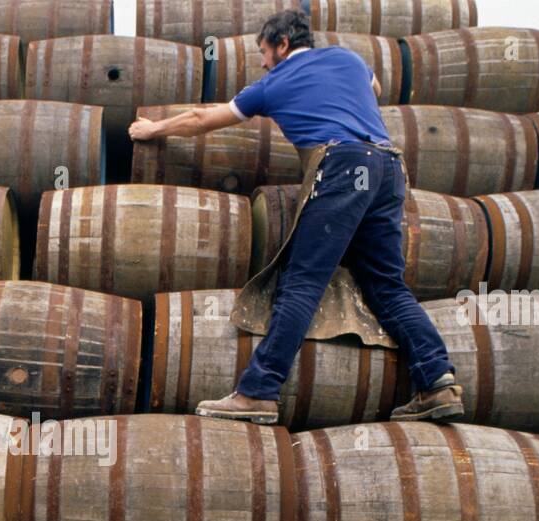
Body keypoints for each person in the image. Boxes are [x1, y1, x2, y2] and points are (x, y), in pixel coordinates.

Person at [129, 10, 465, 425]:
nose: (262, 62)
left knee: (302, 282)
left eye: (264, 51)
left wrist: (152, 130)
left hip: (342, 167)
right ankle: (437, 382)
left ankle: (258, 390)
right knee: (386, 285)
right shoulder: (349, 60)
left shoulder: (272, 84)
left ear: (282, 43)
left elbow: (203, 119)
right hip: (388, 168)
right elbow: (373, 86)